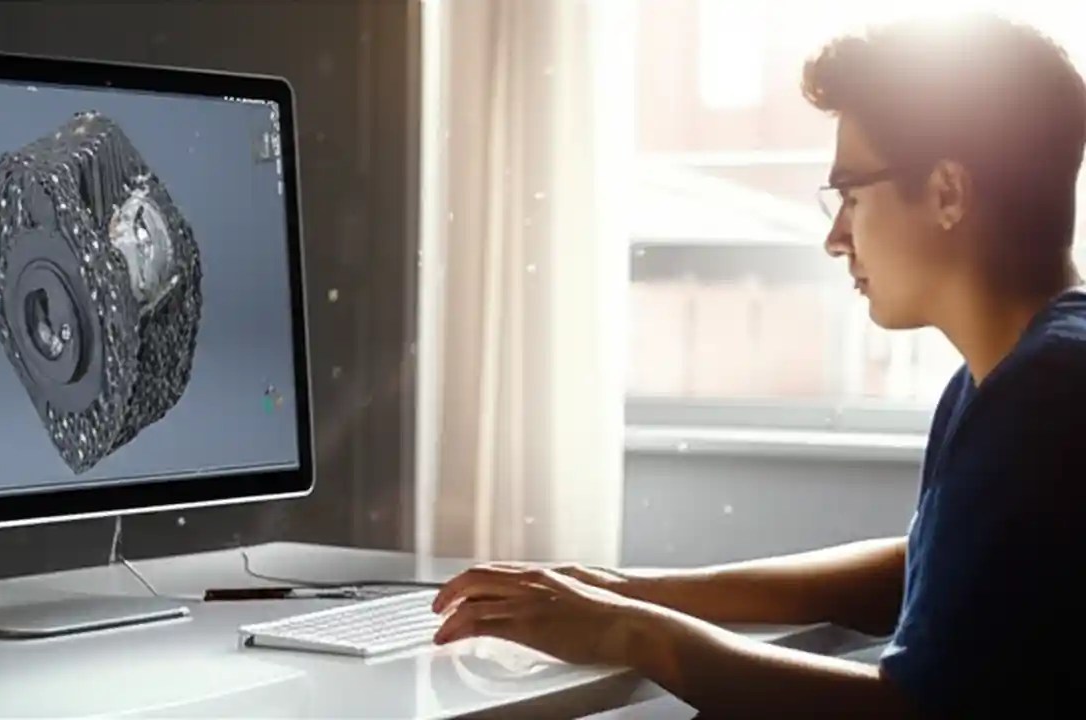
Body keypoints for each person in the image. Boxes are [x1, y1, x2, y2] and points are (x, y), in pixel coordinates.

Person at [431, 11, 1086, 719]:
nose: (836, 237)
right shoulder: (1009, 376)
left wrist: (631, 631)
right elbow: (931, 570)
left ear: (947, 192)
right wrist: (635, 591)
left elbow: (907, 714)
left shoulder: (1045, 396)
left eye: (852, 195)